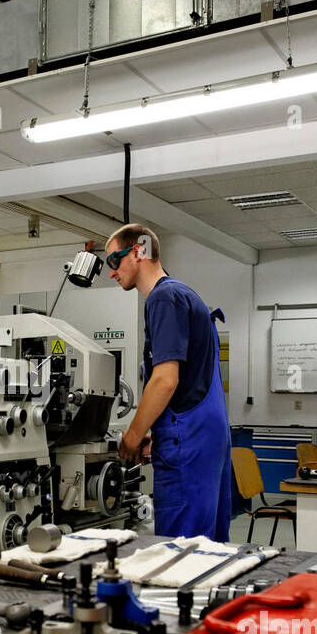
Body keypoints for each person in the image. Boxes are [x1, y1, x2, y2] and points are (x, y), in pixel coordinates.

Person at [106, 224, 233, 540]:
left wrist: (133, 437)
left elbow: (165, 380)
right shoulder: (188, 296)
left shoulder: (163, 298)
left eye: (113, 261)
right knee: (210, 545)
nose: (111, 272)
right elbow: (190, 383)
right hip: (206, 437)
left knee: (182, 551)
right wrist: (155, 430)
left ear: (138, 252)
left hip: (187, 443)